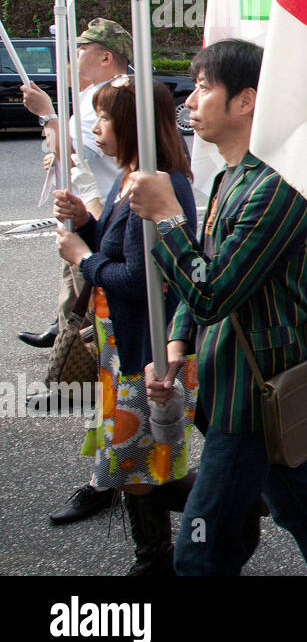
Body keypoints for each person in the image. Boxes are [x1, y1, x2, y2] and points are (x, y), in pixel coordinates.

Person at [127, 39, 307, 576]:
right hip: (227, 380)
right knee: (299, 507)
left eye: (204, 87)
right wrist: (175, 346)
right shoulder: (229, 179)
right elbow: (205, 274)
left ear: (246, 101)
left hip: (252, 398)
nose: (189, 100)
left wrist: (167, 221)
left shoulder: (275, 187)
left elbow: (214, 291)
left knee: (197, 552)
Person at [52, 76, 198, 574]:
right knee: (136, 457)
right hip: (125, 344)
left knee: (139, 461)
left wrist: (83, 257)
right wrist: (87, 224)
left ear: (133, 125)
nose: (96, 126)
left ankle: (228, 505)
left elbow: (140, 279)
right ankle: (168, 541)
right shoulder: (130, 174)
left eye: (105, 117)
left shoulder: (156, 183)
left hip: (147, 347)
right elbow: (121, 248)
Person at [21, 17, 130, 526]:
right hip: (97, 224)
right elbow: (79, 153)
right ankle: (110, 475)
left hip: (108, 235)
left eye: (81, 48)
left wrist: (49, 116)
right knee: (101, 348)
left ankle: (119, 483)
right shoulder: (95, 97)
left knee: (125, 368)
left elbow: (87, 150)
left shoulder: (120, 94)